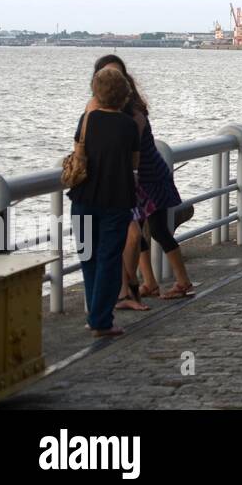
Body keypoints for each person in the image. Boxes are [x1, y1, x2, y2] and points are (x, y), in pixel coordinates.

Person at [90, 55, 195, 304]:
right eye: (106, 74)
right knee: (138, 232)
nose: (111, 79)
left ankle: (183, 281)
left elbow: (131, 150)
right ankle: (149, 282)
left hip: (149, 178)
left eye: (116, 74)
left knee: (156, 229)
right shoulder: (105, 110)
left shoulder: (133, 113)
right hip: (133, 181)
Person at [70, 65, 140, 337]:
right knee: (109, 258)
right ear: (123, 94)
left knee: (88, 256)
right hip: (116, 199)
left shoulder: (86, 119)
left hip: (83, 196)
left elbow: (78, 151)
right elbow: (134, 163)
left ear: (95, 93)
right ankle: (101, 319)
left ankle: (95, 314)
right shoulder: (128, 125)